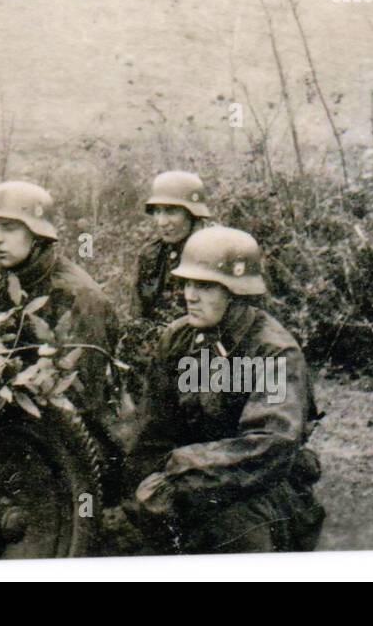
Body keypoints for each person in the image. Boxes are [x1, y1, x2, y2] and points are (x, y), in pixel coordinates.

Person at [124, 226, 325, 553]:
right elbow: (152, 432)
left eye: (205, 286)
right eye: (188, 283)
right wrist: (142, 488)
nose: (190, 295)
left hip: (260, 489)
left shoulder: (274, 352)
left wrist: (181, 470)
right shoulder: (177, 339)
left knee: (234, 530)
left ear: (235, 293)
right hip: (191, 481)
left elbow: (269, 446)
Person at [0, 180, 119, 422]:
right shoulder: (6, 285)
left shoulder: (78, 296)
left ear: (37, 235)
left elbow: (81, 397)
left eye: (9, 227)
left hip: (68, 432)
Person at [134, 170, 212, 327]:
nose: (162, 222)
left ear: (193, 213)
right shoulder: (150, 254)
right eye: (157, 211)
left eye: (171, 211)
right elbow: (138, 316)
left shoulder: (217, 251)